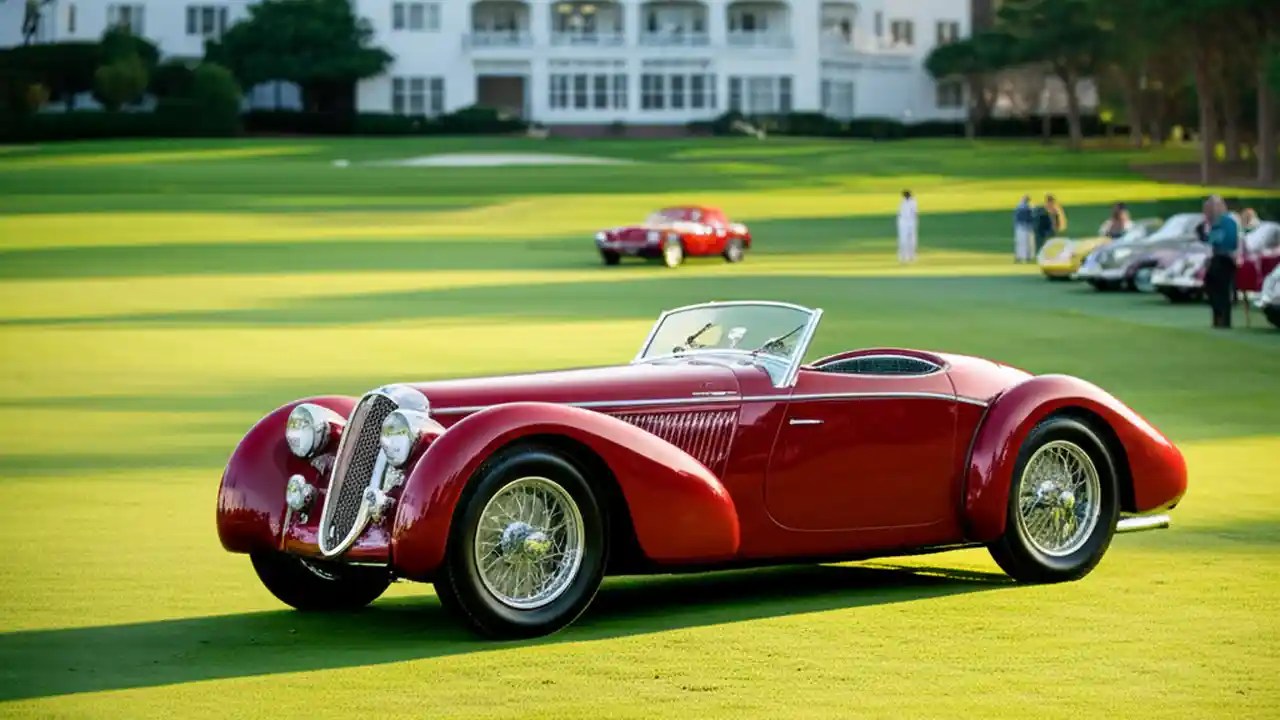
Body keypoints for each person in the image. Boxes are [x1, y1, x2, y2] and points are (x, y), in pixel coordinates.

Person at [1202, 195, 1240, 329]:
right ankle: (1218, 317)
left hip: (1226, 258)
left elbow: (1229, 241)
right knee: (1213, 287)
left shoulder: (1228, 221)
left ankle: (1223, 320)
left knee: (1222, 290)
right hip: (1217, 257)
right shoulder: (1214, 223)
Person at [897, 189, 917, 263]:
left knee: (912, 239)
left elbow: (915, 212)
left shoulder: (913, 202)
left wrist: (913, 221)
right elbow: (900, 213)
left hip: (911, 221)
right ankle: (903, 256)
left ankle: (912, 256)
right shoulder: (902, 202)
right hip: (903, 222)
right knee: (903, 239)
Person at [1013, 195, 1035, 262]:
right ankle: (1027, 257)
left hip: (1019, 227)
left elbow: (1016, 218)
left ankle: (1018, 257)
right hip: (1026, 227)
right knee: (1027, 243)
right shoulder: (1028, 208)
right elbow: (1030, 218)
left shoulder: (1018, 207)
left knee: (1020, 243)